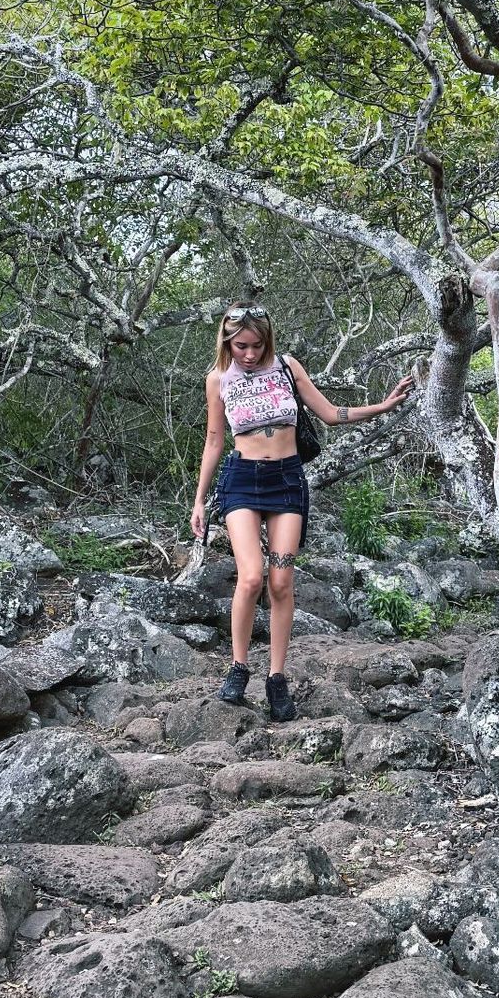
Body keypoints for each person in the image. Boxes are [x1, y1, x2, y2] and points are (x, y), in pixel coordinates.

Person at [191, 304, 414, 720]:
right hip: (241, 480)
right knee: (252, 576)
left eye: (257, 345)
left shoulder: (288, 367)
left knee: (280, 581)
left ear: (268, 340)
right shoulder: (218, 379)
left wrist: (381, 407)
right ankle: (238, 668)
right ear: (227, 341)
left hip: (288, 481)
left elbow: (330, 413)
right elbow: (214, 441)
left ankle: (276, 679)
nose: (250, 354)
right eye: (241, 346)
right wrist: (200, 500)